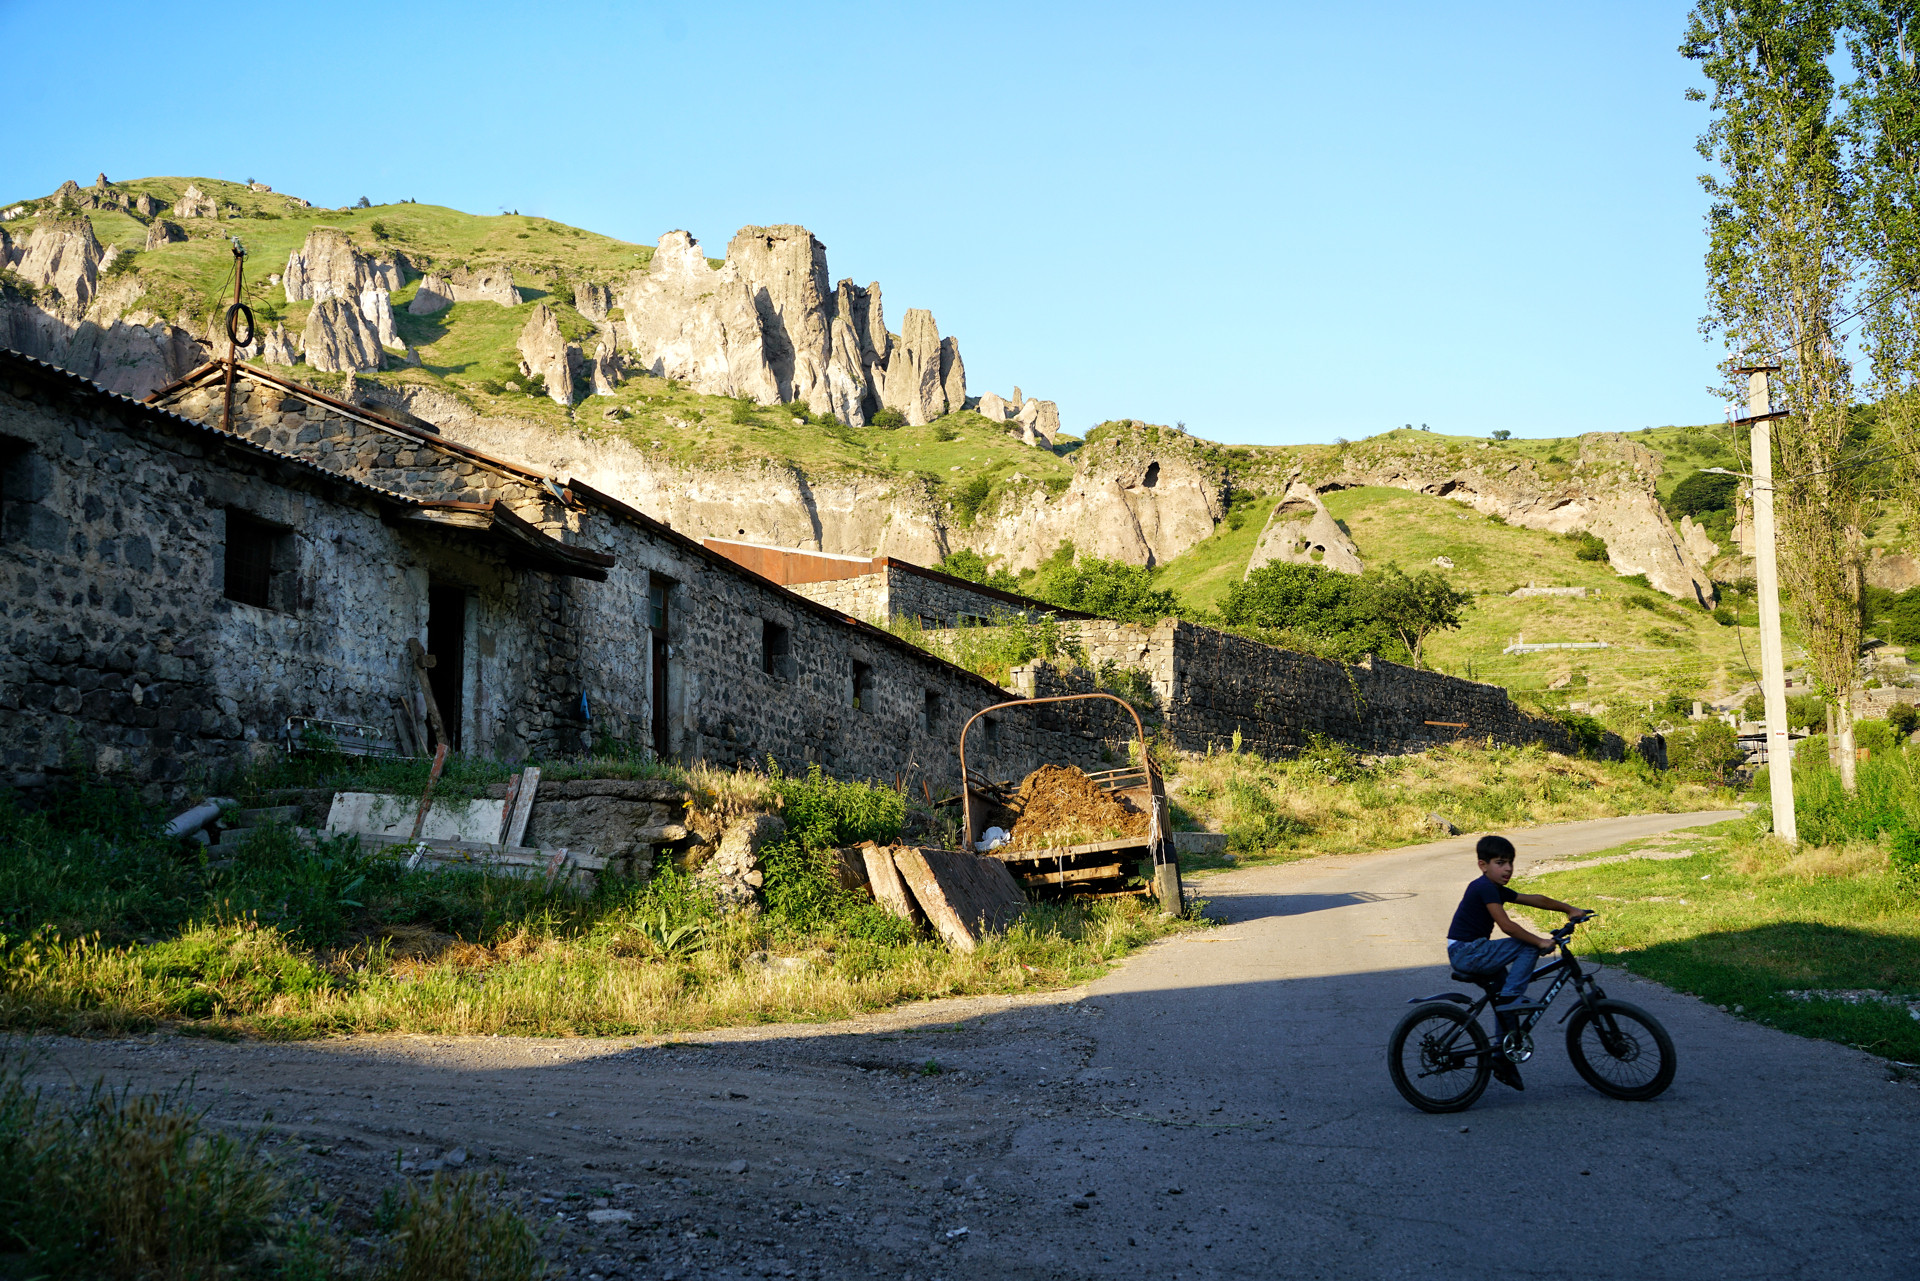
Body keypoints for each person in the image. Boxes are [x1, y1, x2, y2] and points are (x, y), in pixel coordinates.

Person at [1447, 834, 1588, 1085]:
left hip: (1471, 950)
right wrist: (1540, 941)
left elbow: (1536, 899)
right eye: (1500, 863)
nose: (1508, 869)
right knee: (1526, 948)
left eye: (1510, 862)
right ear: (1483, 865)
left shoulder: (1495, 888)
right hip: (1467, 951)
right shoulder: (1484, 887)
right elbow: (1507, 926)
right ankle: (1512, 996)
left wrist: (1569, 909)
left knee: (1506, 1003)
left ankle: (1502, 1060)